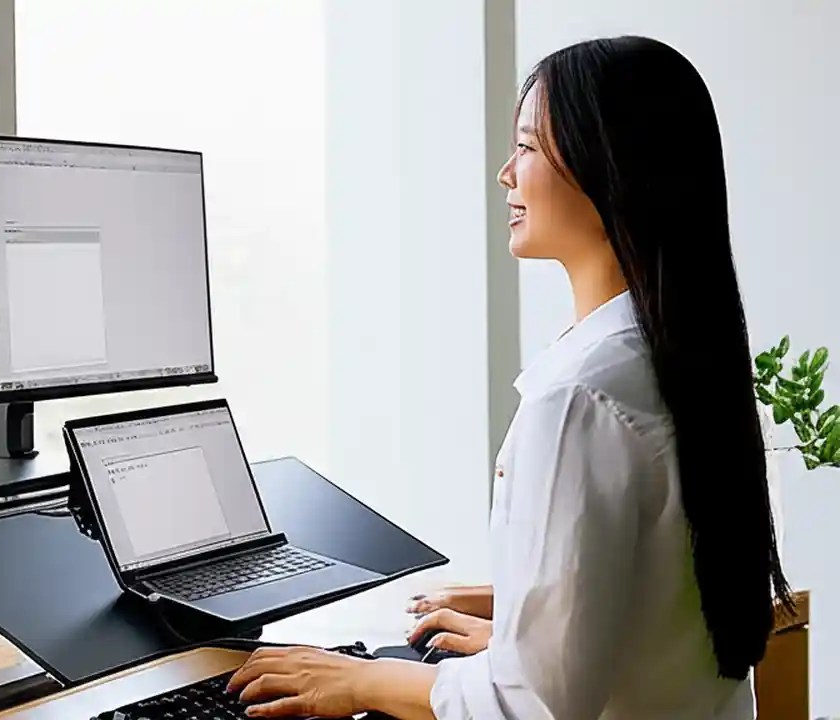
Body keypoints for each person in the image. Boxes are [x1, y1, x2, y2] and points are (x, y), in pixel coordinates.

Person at [225, 35, 792, 719]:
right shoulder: (686, 363)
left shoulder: (582, 396)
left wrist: (359, 680)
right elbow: (664, 612)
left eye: (526, 147)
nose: (506, 175)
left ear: (607, 166)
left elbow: (530, 709)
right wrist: (520, 637)